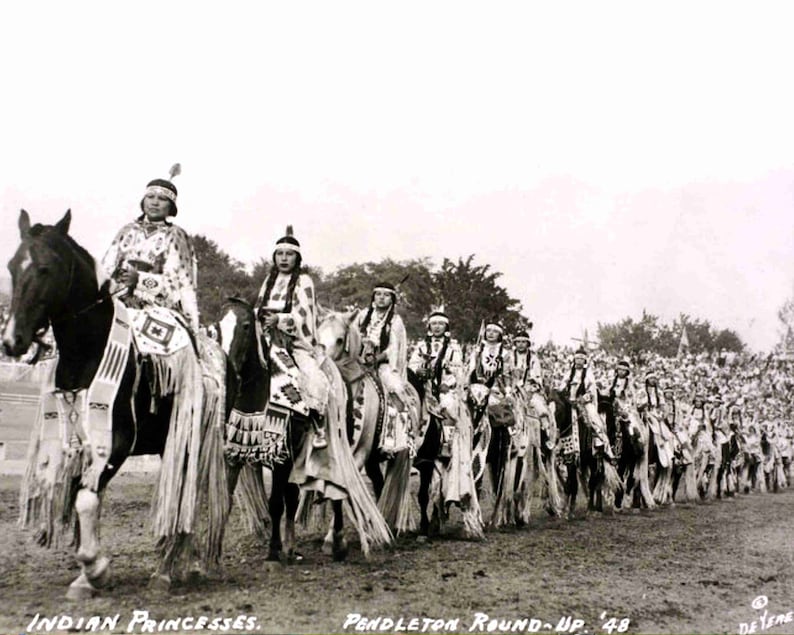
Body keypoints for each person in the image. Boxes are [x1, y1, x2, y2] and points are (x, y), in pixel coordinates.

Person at [101, 164, 199, 332]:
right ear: (143, 201)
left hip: (157, 308)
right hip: (116, 300)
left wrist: (139, 280)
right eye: (150, 197)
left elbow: (178, 284)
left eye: (161, 199)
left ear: (171, 207)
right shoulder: (127, 230)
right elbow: (105, 269)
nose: (154, 202)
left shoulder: (176, 235)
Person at [256, 226, 329, 448]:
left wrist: (279, 320)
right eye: (280, 254)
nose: (284, 258)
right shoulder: (269, 279)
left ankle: (318, 425)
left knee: (313, 379)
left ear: (297, 258)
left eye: (289, 254)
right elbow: (257, 307)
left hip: (294, 343)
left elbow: (304, 313)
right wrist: (261, 322)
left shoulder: (304, 281)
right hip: (266, 339)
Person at [353, 281, 412, 451]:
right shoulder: (363, 315)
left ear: (392, 299)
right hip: (359, 361)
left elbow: (394, 347)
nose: (381, 298)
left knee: (395, 388)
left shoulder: (395, 320)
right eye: (378, 294)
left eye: (386, 295)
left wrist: (376, 358)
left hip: (382, 364)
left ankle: (395, 438)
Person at [408, 308, 464, 400]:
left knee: (447, 404)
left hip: (445, 387)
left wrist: (448, 384)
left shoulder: (453, 348)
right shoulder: (422, 346)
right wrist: (418, 370)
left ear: (446, 327)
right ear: (429, 327)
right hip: (423, 386)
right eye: (434, 324)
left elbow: (458, 370)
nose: (437, 327)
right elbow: (412, 365)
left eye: (441, 324)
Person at [508, 328, 542, 394]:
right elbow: (505, 373)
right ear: (515, 343)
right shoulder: (509, 356)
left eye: (523, 342)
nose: (520, 344)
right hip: (510, 387)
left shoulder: (533, 358)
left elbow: (537, 375)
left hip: (528, 388)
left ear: (528, 344)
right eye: (518, 342)